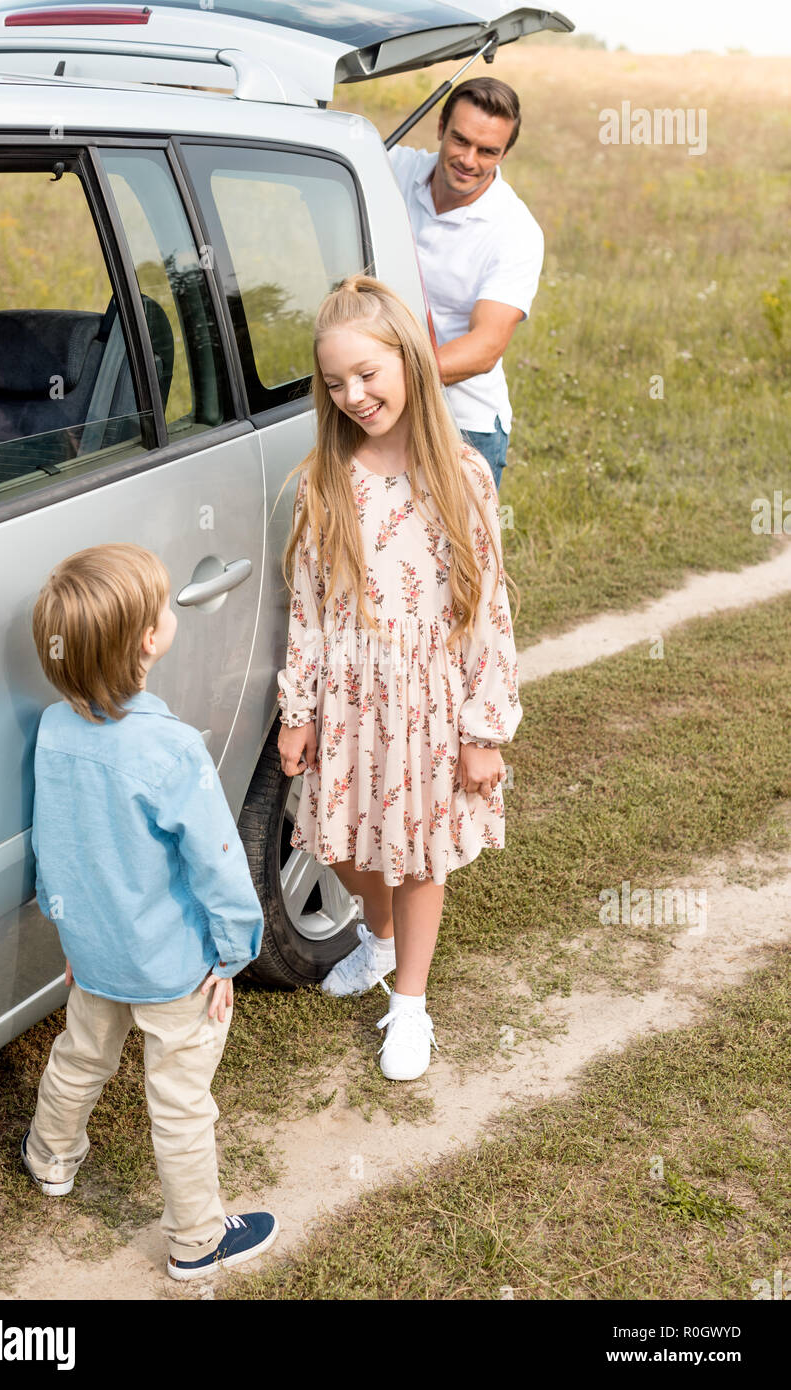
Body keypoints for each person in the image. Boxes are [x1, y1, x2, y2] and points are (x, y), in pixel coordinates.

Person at [276, 274, 522, 1082]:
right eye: (336, 382)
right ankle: (376, 941)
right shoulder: (324, 480)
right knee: (342, 842)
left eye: (368, 375)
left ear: (409, 362)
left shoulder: (460, 475)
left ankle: (409, 1006)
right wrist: (298, 708)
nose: (353, 394)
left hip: (429, 700)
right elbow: (306, 606)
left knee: (417, 855)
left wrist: (484, 731)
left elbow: (486, 612)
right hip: (348, 695)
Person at [25, 542, 277, 1282]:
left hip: (96, 954)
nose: (172, 613)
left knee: (80, 1057)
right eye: (164, 607)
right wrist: (230, 955)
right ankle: (198, 1240)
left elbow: (58, 845)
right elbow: (218, 864)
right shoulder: (172, 749)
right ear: (147, 641)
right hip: (176, 971)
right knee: (178, 1099)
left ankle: (51, 1159)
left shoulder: (53, 731)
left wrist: (67, 926)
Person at [388, 76, 544, 489]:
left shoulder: (515, 231)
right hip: (379, 412)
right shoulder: (393, 168)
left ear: (505, 153)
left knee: (456, 555)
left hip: (463, 426)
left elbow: (486, 347)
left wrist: (392, 378)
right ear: (440, 127)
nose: (469, 160)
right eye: (460, 141)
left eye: (488, 151)